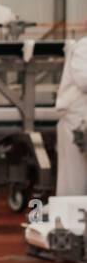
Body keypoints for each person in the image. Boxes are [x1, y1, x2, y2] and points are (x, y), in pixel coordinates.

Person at [54, 36, 87, 195]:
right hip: (77, 121)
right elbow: (84, 81)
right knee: (74, 177)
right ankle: (69, 217)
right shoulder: (83, 47)